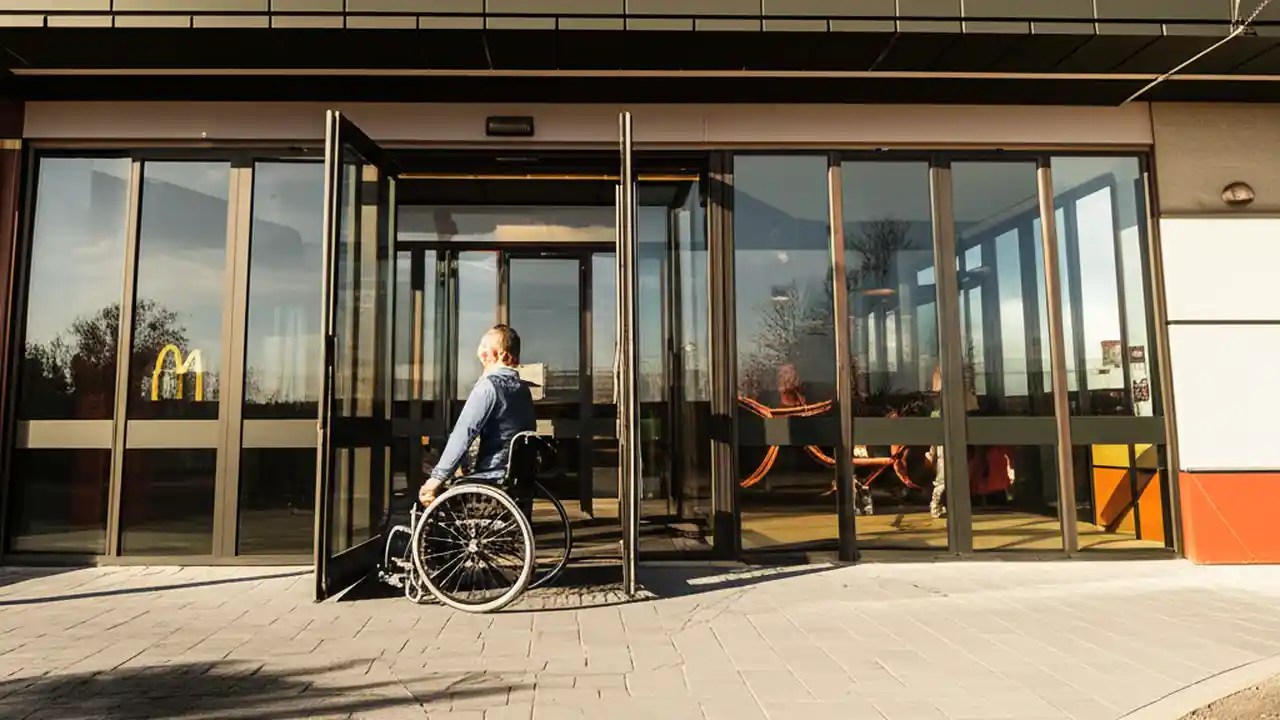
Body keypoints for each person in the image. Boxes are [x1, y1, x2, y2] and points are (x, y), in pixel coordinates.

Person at [418, 324, 536, 506]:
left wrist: (437, 478)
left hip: (491, 477)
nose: (481, 356)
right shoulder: (523, 390)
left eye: (486, 351)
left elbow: (463, 434)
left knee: (428, 473)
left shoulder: (488, 387)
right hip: (515, 478)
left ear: (502, 355)